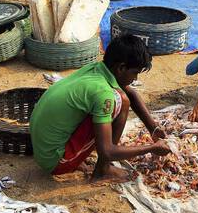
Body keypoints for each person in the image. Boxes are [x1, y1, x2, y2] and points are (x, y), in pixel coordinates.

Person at [29, 34, 172, 184]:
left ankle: (83, 157)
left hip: (42, 149)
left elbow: (131, 93)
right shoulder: (103, 93)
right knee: (121, 102)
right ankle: (102, 171)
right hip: (54, 161)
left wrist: (153, 128)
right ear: (121, 68)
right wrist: (151, 148)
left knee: (122, 97)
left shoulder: (96, 69)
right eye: (135, 73)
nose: (135, 79)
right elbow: (107, 151)